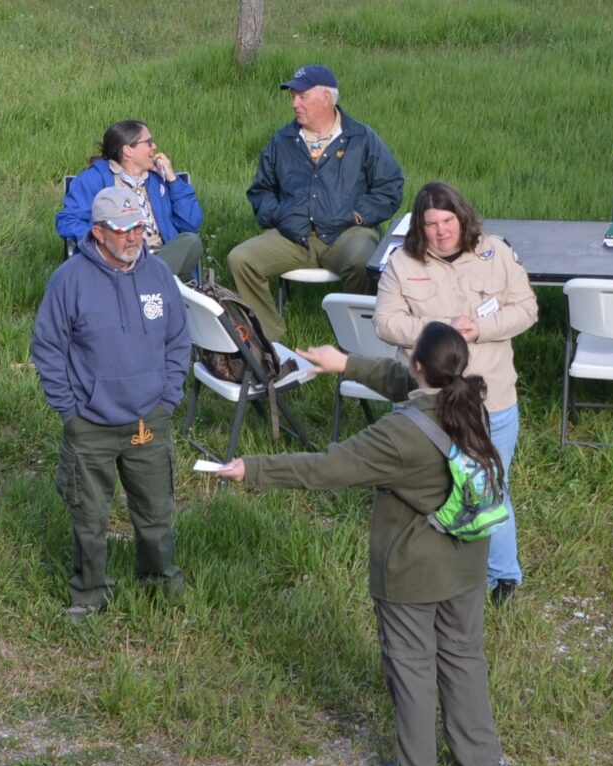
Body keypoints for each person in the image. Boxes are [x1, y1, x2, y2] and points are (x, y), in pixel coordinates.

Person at [218, 322, 509, 766]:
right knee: (463, 656)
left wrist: (254, 468)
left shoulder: (398, 435)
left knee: (412, 667)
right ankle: (481, 759)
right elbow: (404, 383)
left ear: (419, 364)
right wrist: (345, 364)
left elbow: (326, 467)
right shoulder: (469, 400)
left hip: (413, 571)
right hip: (466, 562)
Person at [374, 182, 537, 606]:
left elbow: (527, 309)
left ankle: (503, 577)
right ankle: (446, 572)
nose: (441, 231)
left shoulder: (496, 252)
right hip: (430, 402)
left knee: (490, 487)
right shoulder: (401, 263)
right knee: (436, 487)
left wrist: (481, 328)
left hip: (492, 398)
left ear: (462, 218)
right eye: (431, 224)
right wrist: (438, 328)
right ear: (419, 227)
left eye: (448, 221)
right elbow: (386, 323)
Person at [33, 186, 191, 619]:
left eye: (138, 226)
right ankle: (89, 595)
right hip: (90, 424)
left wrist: (168, 397)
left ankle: (161, 586)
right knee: (89, 517)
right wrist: (70, 409)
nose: (132, 236)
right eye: (122, 229)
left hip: (150, 419)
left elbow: (179, 339)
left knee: (156, 512)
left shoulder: (159, 276)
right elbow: (47, 348)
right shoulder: (69, 280)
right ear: (98, 232)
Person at [227, 64, 403, 341]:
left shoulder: (361, 138)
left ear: (326, 98)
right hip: (294, 236)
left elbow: (390, 187)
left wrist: (358, 216)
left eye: (302, 96)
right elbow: (260, 191)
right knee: (241, 259)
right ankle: (271, 341)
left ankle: (360, 341)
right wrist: (280, 216)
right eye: (293, 96)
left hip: (346, 233)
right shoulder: (283, 141)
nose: (294, 103)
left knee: (363, 260)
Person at [56, 119, 204, 280]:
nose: (154, 147)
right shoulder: (93, 180)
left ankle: (140, 284)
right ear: (128, 150)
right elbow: (68, 221)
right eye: (148, 142)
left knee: (191, 241)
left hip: (162, 256)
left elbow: (191, 224)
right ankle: (142, 285)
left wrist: (173, 180)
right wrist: (105, 240)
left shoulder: (158, 180)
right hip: (119, 258)